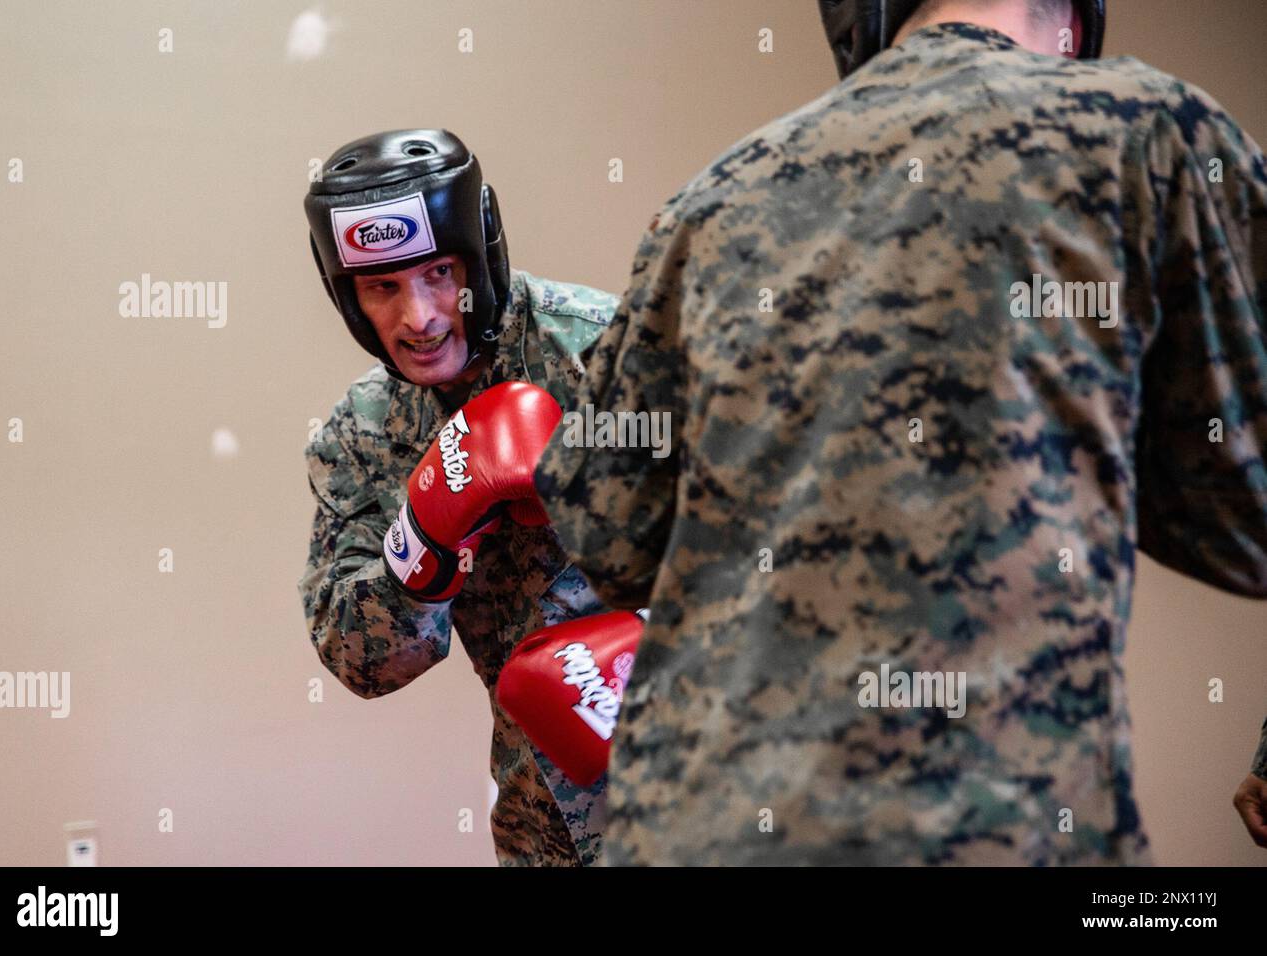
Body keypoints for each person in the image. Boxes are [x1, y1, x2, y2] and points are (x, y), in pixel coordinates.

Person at [534, 0, 1267, 864]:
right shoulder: (1146, 136)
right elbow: (1247, 525)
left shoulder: (710, 200)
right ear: (1074, 20)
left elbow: (604, 534)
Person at [298, 128, 621, 865]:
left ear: (480, 256)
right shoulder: (361, 433)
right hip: (546, 833)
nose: (419, 317)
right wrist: (424, 542)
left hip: (704, 800)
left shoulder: (604, 350)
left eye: (439, 273)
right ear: (348, 297)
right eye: (383, 288)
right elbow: (358, 659)